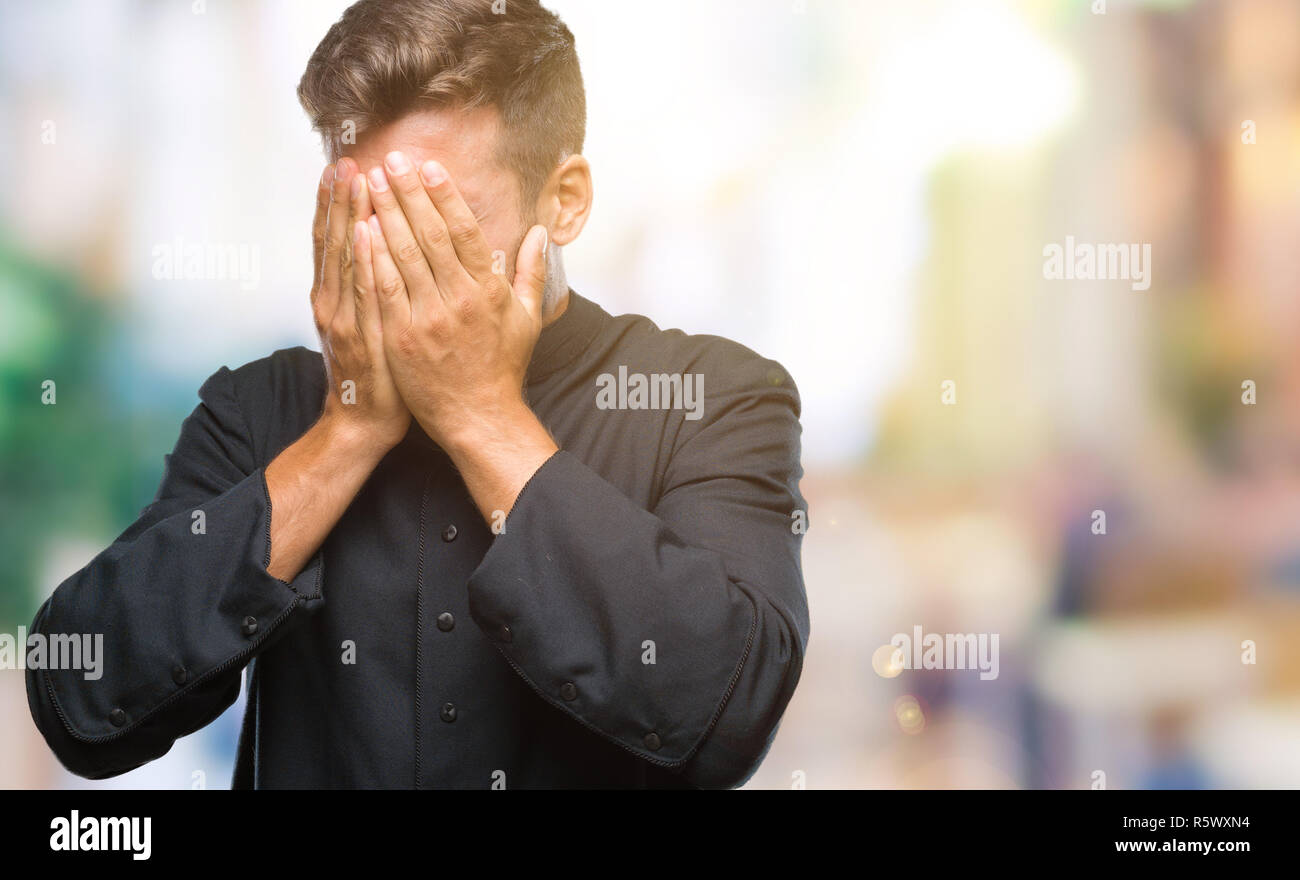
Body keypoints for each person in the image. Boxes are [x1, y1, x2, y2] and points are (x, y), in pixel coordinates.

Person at [27, 0, 809, 789]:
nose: (394, 260)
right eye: (365, 216)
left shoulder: (709, 399)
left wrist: (481, 415)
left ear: (564, 200)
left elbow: (726, 717)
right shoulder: (258, 410)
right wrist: (346, 432)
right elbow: (80, 702)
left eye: (436, 221)